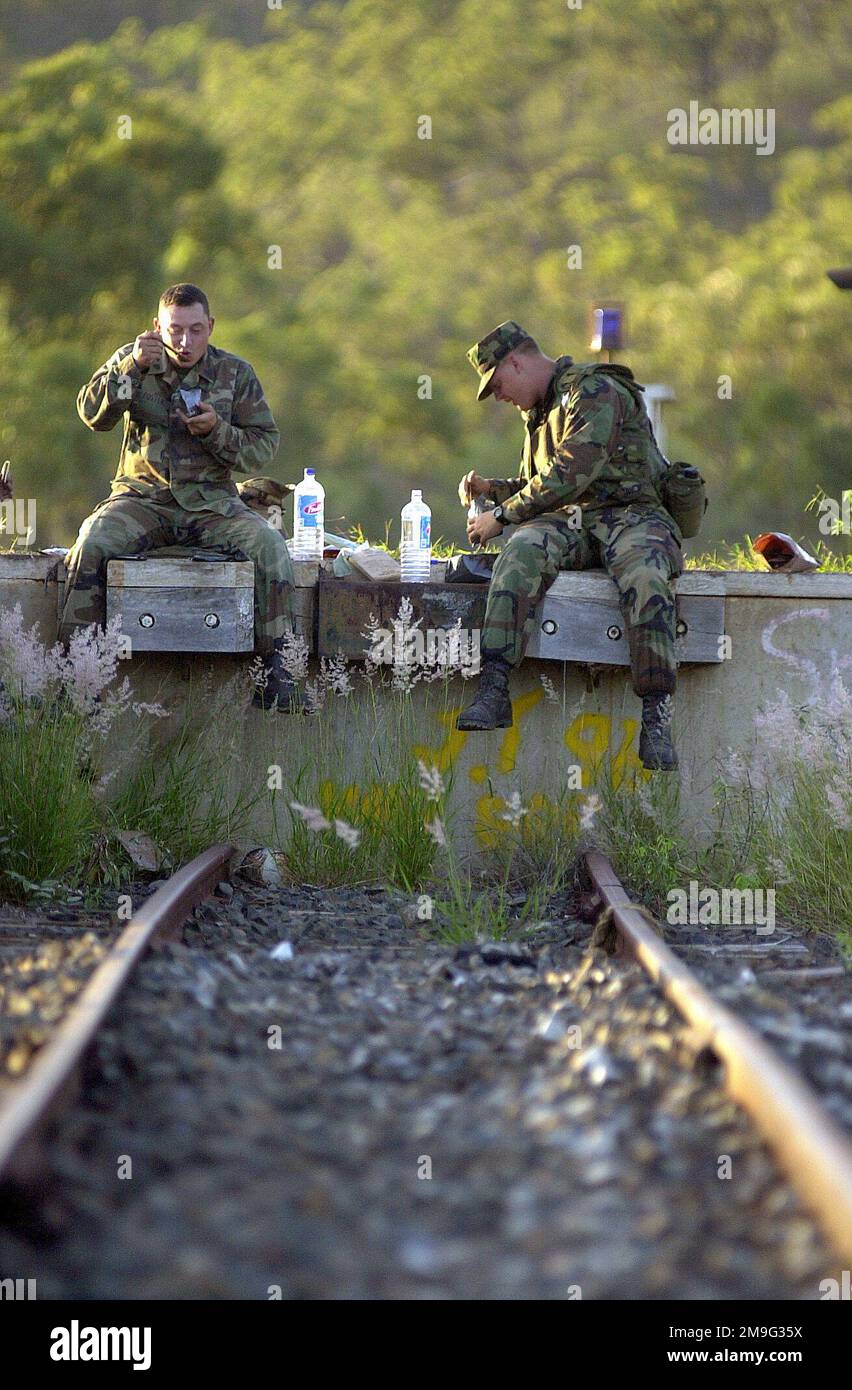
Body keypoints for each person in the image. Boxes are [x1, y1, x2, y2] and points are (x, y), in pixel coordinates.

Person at [60, 283, 306, 711]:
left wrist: (218, 432)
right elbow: (92, 415)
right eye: (175, 330)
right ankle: (79, 678)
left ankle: (277, 673)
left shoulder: (235, 373)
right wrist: (133, 367)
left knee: (268, 545)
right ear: (157, 327)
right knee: (91, 543)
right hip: (144, 499)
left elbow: (263, 445)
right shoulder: (134, 361)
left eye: (195, 330)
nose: (185, 341)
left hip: (212, 504)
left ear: (211, 326)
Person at [457, 320, 684, 770]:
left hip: (633, 515)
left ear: (517, 362)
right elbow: (542, 483)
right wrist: (496, 489)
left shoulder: (594, 390)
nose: (499, 396)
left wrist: (500, 516)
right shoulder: (540, 412)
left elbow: (571, 472)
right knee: (521, 552)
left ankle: (657, 714)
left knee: (645, 575)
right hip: (576, 521)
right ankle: (494, 685)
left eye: (498, 384)